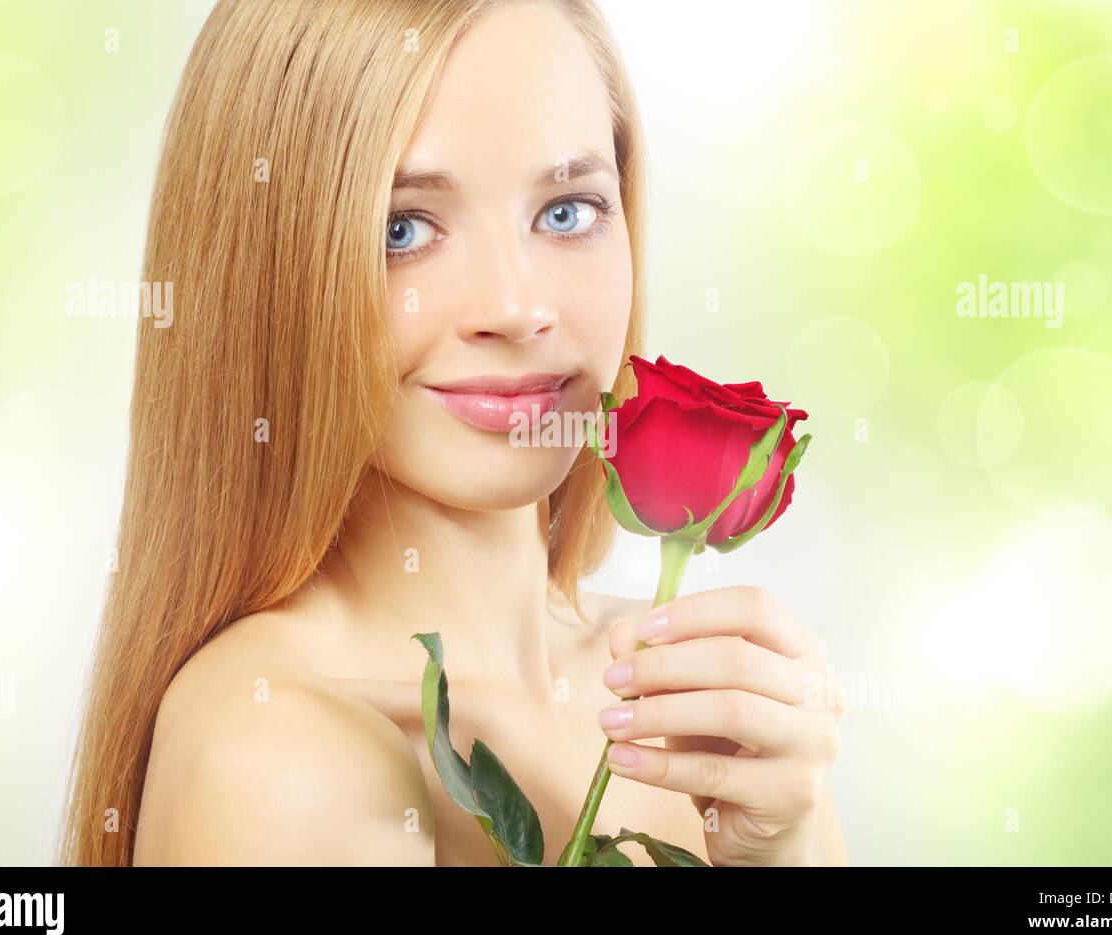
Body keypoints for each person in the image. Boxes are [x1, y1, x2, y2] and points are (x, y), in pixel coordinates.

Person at [59, 0, 848, 867]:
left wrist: (788, 853)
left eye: (567, 211)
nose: (518, 309)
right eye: (404, 230)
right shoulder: (275, 747)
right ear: (271, 267)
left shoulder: (704, 713)